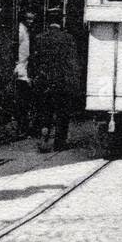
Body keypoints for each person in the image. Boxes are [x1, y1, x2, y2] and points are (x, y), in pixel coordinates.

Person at [31, 9, 82, 152]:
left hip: (44, 81)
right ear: (61, 21)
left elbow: (34, 60)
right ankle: (59, 142)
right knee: (62, 113)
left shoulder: (39, 38)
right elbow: (73, 63)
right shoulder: (68, 38)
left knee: (45, 111)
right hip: (62, 82)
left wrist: (34, 78)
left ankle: (44, 136)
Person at [11, 9, 36, 137]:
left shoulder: (26, 30)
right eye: (28, 19)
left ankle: (24, 127)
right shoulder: (20, 31)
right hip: (20, 69)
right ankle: (22, 128)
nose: (31, 22)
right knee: (22, 101)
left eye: (32, 19)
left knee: (25, 100)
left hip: (25, 68)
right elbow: (15, 48)